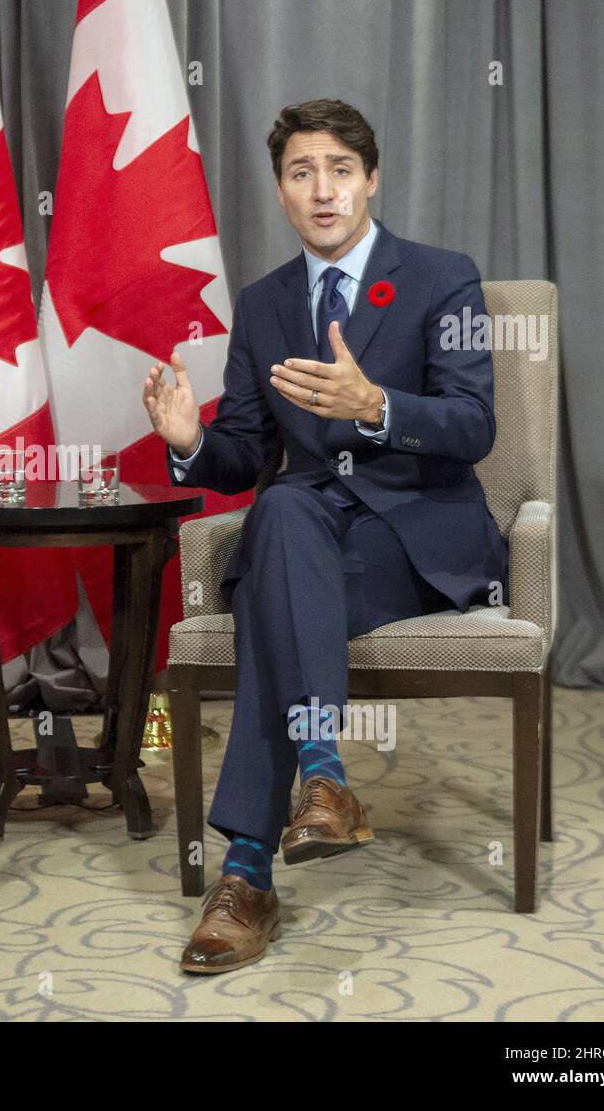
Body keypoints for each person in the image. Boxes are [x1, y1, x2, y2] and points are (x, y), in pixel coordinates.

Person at [142, 98, 509, 974]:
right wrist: (188, 441)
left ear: (371, 180)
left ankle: (245, 874)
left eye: (341, 170)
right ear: (279, 190)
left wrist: (374, 407)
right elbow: (243, 454)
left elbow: (473, 427)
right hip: (306, 532)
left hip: (414, 539)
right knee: (280, 508)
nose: (324, 191)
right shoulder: (264, 302)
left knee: (276, 581)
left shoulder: (440, 275)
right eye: (302, 173)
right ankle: (320, 781)